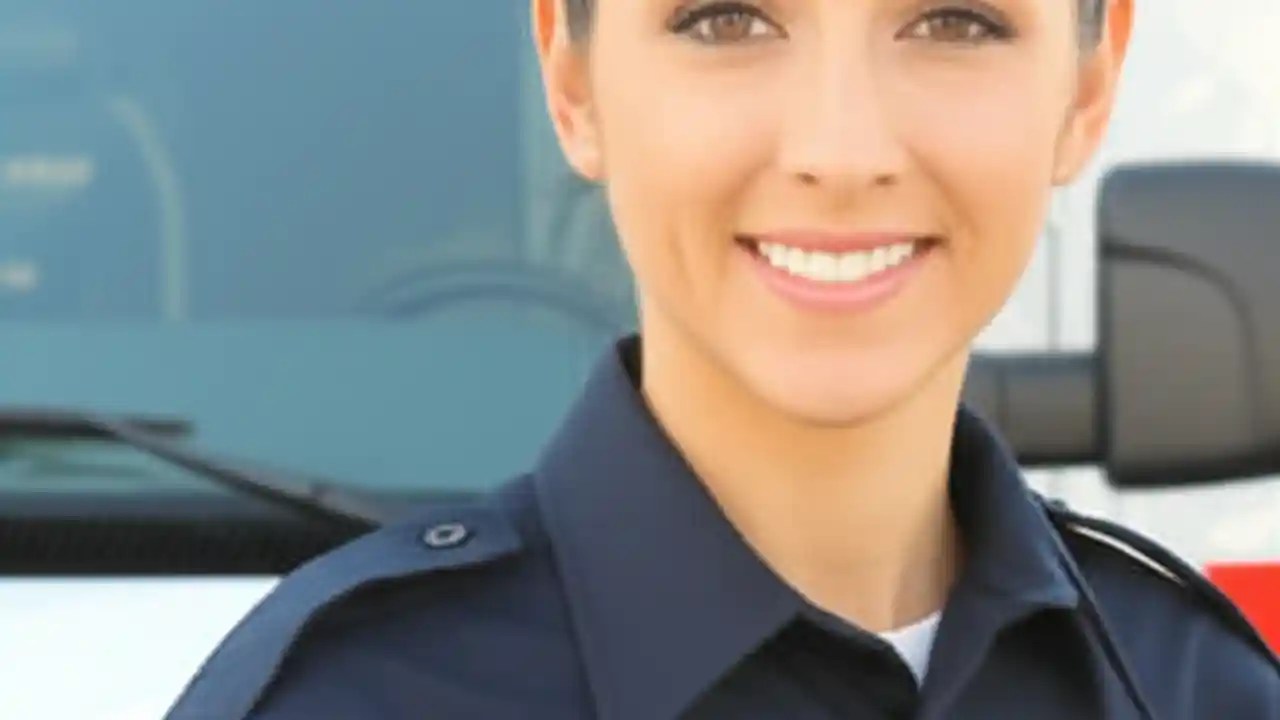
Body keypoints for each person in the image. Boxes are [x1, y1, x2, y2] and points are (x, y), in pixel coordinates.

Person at [165, 0, 1280, 717]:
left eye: (953, 21)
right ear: (571, 77)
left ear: (1085, 88)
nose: (839, 153)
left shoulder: (1194, 692)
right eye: (724, 20)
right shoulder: (349, 703)